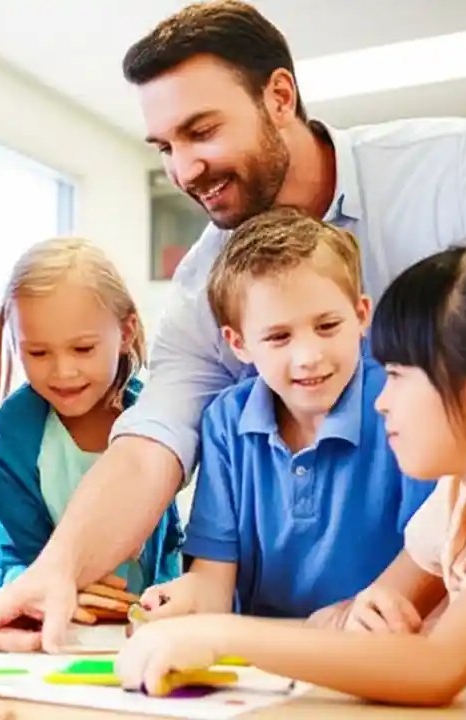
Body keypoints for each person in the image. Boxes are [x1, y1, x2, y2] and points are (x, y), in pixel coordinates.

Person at [0, 0, 466, 654]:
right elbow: (151, 442)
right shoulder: (206, 286)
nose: (183, 170)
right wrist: (58, 570)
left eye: (202, 131)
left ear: (280, 95)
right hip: (351, 638)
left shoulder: (454, 169)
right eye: (166, 147)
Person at [115, 238, 466, 719]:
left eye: (400, 376)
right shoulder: (459, 500)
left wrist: (219, 634)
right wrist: (361, 621)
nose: (381, 400)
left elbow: (436, 667)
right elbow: (359, 625)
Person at [139, 208, 428, 621]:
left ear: (362, 316)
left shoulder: (406, 402)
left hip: (378, 652)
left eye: (328, 326)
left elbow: (432, 561)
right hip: (262, 664)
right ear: (238, 343)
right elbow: (212, 582)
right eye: (278, 337)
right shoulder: (226, 422)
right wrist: (180, 602)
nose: (308, 357)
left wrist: (346, 624)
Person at [0, 238, 182, 608]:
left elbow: (171, 542)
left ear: (125, 333)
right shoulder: (11, 435)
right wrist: (60, 590)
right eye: (38, 352)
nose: (63, 372)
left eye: (83, 349)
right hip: (58, 625)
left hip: (143, 625)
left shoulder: (155, 418)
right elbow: (14, 557)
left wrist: (164, 597)